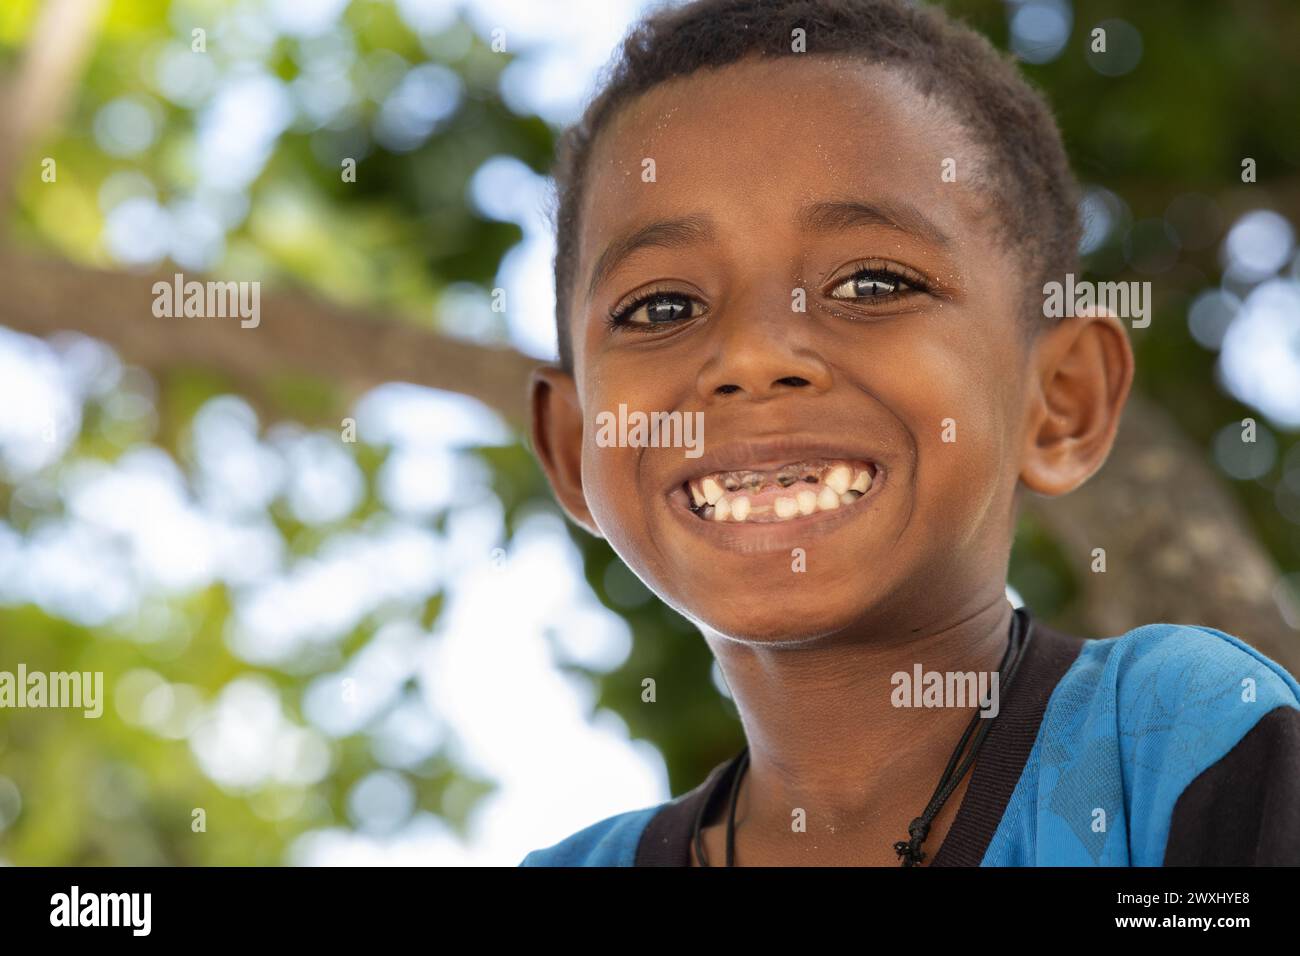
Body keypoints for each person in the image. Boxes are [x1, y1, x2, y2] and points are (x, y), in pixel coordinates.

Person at [519, 0, 1300, 866]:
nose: (751, 353)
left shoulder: (1171, 740)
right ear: (569, 445)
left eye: (873, 285)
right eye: (662, 306)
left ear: (1062, 400)